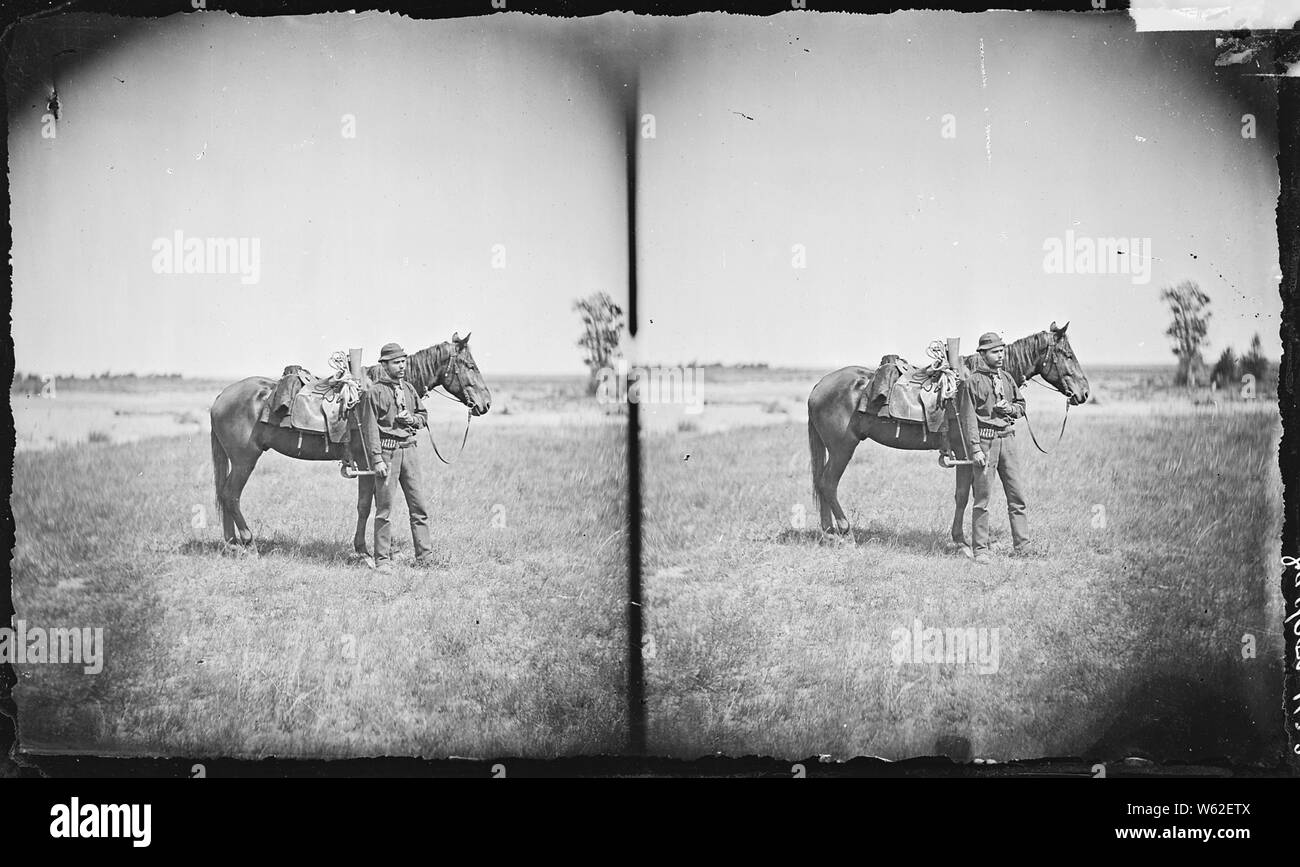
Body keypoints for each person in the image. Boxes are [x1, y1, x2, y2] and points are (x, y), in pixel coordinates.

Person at [958, 331, 1034, 565]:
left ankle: (1023, 546)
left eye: (1001, 351)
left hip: (1008, 441)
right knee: (982, 499)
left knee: (1017, 495)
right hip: (986, 442)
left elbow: (1021, 405)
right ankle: (981, 550)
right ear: (982, 355)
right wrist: (976, 450)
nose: (1000, 355)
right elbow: (968, 420)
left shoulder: (1008, 379)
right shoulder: (972, 383)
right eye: (994, 352)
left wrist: (1010, 409)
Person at [360, 342, 432, 572]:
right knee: (384, 509)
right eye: (395, 362)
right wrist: (377, 460)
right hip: (388, 454)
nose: (401, 366)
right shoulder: (374, 393)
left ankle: (425, 557)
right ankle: (382, 560)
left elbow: (423, 415)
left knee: (418, 506)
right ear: (384, 365)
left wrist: (413, 419)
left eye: (403, 361)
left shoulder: (409, 389)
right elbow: (370, 430)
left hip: (410, 452)